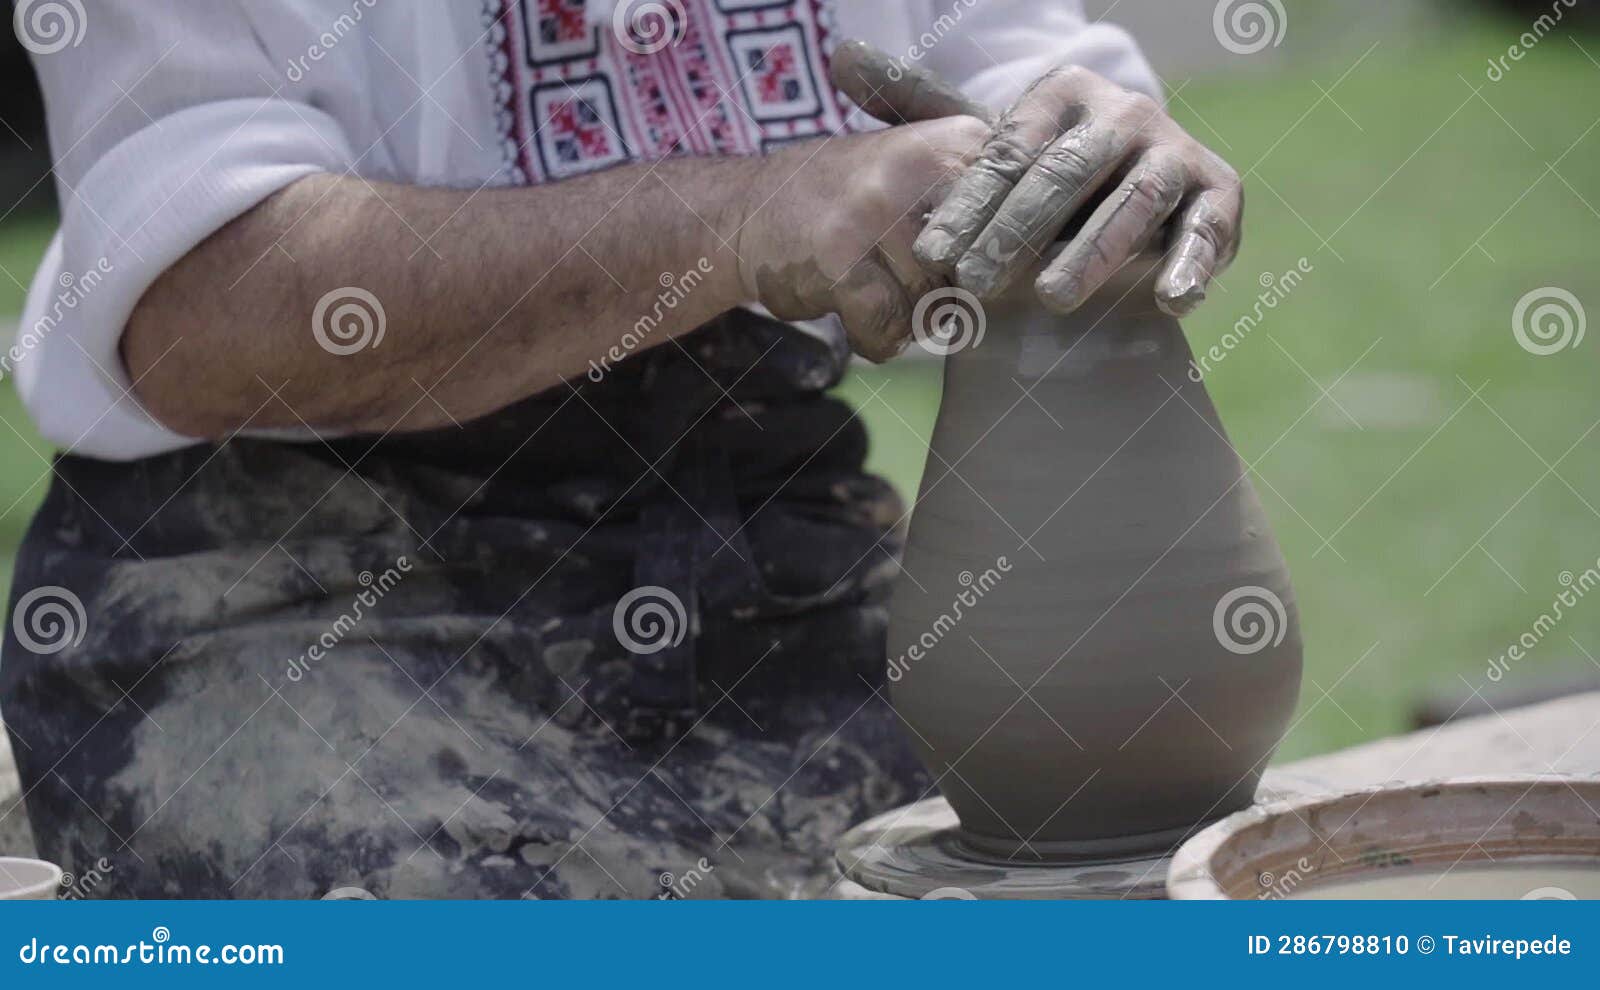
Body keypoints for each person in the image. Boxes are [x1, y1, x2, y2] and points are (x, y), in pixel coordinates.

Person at [1, 0, 1241, 898]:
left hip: (759, 527)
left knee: (1115, 871)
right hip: (302, 581)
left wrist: (1096, 161)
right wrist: (730, 216)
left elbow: (1014, 76)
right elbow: (197, 309)